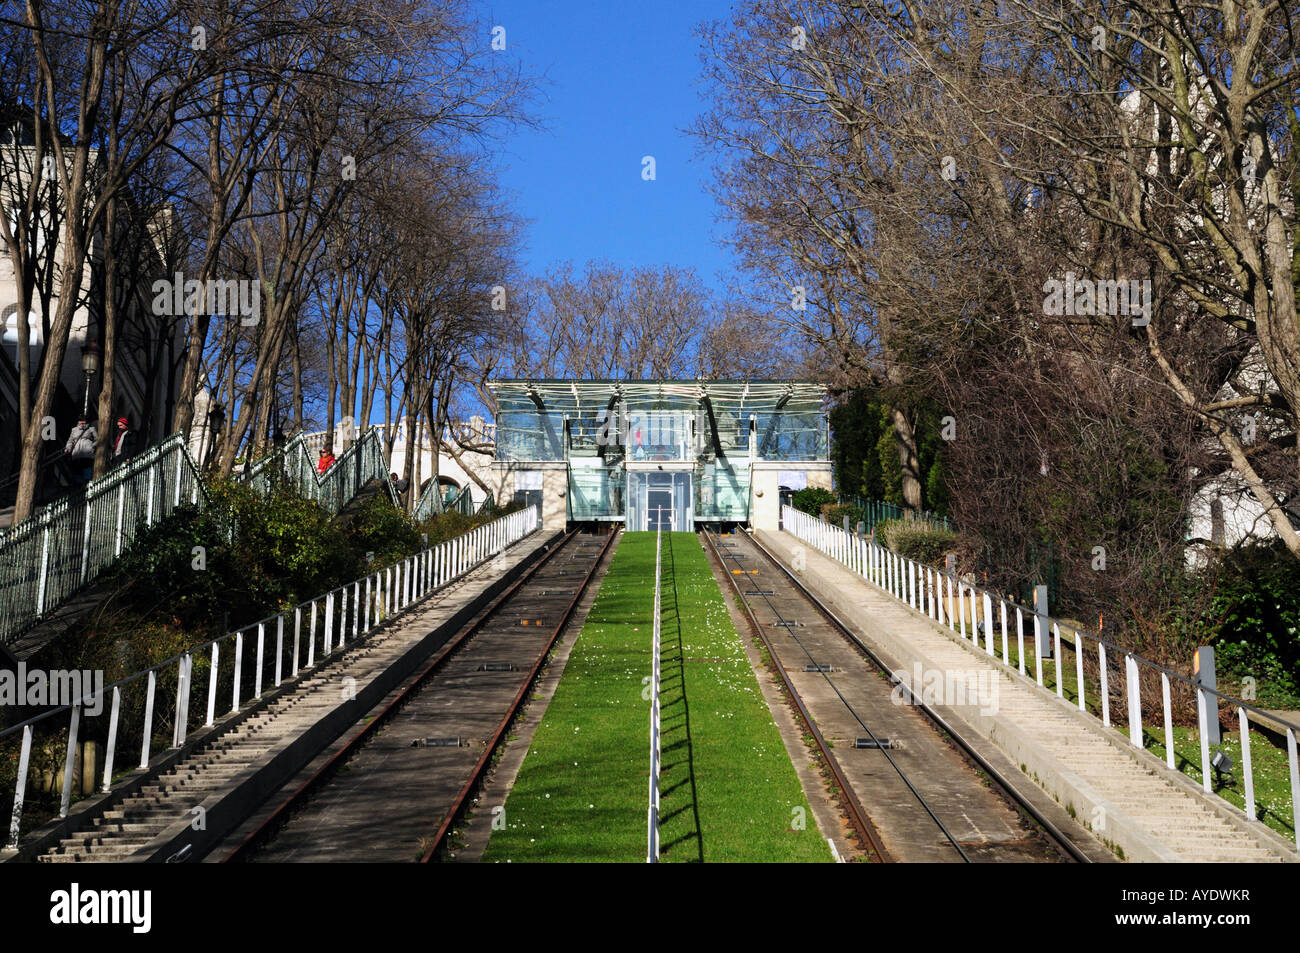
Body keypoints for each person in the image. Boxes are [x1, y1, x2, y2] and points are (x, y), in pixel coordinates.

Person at [64, 417, 97, 485]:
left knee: (87, 466)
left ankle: (87, 482)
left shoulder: (91, 429)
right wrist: (68, 449)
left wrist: (92, 446)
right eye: (80, 421)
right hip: (76, 452)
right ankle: (79, 485)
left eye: (83, 421)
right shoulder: (74, 430)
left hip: (87, 452)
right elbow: (70, 441)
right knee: (77, 469)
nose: (82, 422)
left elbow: (97, 439)